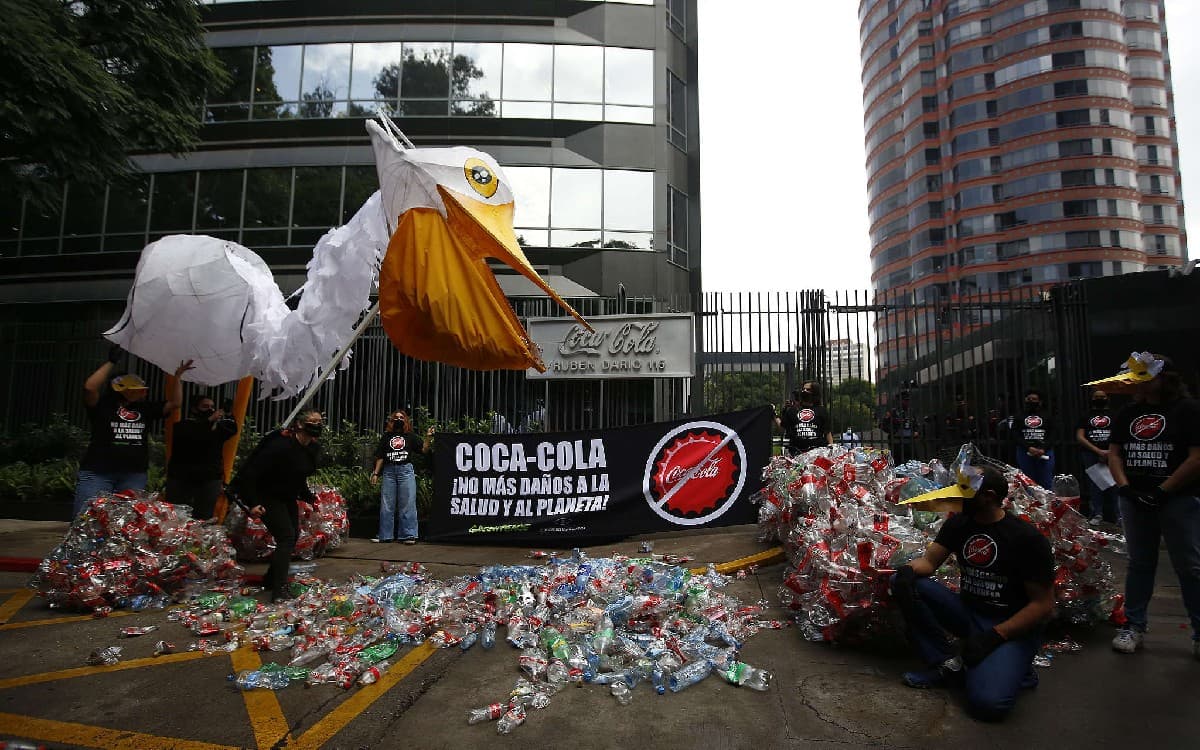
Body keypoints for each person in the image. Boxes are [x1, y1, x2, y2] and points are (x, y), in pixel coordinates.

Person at [890, 464, 1054, 721]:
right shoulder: (960, 524)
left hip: (1010, 626)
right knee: (907, 584)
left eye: (964, 492)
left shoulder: (1026, 539)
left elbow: (1042, 605)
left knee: (989, 705)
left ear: (987, 496)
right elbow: (929, 563)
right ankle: (946, 665)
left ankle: (1018, 669)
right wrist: (906, 572)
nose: (955, 498)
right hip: (969, 612)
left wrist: (996, 636)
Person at [1102, 354, 1200, 659]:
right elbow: (1115, 453)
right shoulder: (1127, 413)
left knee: (1190, 566)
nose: (1136, 384)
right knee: (1140, 564)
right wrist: (1126, 488)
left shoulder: (1188, 411)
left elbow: (1196, 457)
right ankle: (1134, 625)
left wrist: (1163, 490)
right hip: (1135, 499)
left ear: (1163, 378)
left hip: (1178, 499)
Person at [74, 345, 192, 515]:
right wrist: (111, 362)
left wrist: (178, 376)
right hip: (98, 472)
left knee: (127, 522)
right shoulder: (103, 407)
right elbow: (90, 388)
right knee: (86, 517)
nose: (142, 393)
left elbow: (175, 403)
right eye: (137, 389)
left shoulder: (145, 409)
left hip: (133, 474)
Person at [228, 409, 324, 602]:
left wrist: (309, 497)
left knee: (292, 535)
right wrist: (253, 503)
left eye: (319, 421)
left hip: (286, 496)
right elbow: (251, 474)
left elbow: (298, 476)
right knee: (286, 536)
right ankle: (278, 591)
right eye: (312, 421)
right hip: (266, 495)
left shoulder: (311, 449)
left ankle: (272, 578)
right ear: (300, 424)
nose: (317, 425)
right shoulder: (280, 446)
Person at [165, 396, 238, 519]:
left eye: (212, 407)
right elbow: (195, 435)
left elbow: (232, 429)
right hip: (182, 478)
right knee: (177, 514)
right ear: (194, 409)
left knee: (204, 516)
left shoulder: (217, 427)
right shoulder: (183, 425)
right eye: (205, 406)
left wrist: (228, 413)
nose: (210, 410)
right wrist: (209, 420)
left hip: (209, 478)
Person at [370, 409, 433, 544]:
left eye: (401, 417)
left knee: (407, 503)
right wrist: (376, 473)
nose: (399, 419)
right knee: (387, 504)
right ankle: (385, 535)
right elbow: (380, 456)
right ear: (392, 421)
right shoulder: (386, 437)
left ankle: (409, 535)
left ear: (405, 421)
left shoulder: (409, 436)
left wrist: (428, 437)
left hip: (405, 470)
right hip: (389, 471)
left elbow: (423, 450)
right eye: (396, 418)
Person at [1075, 388, 1117, 525]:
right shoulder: (1085, 416)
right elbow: (1080, 437)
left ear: (1107, 398)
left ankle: (1118, 515)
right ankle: (1097, 513)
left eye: (1102, 396)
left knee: (1115, 484)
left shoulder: (1114, 415)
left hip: (1112, 454)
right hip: (1090, 454)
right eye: (1097, 396)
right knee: (1095, 485)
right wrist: (1098, 451)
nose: (1099, 398)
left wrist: (1109, 452)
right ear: (1092, 399)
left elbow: (1119, 435)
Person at [776, 382, 832, 456]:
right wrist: (775, 416)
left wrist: (831, 448)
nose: (804, 391)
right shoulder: (792, 410)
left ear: (815, 392)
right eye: (803, 389)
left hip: (817, 452)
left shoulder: (821, 410)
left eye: (808, 389)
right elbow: (783, 427)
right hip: (797, 452)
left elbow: (827, 432)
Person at [1014, 389, 1054, 489]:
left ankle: (1046, 503)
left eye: (1034, 399)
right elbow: (1015, 435)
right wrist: (1028, 447)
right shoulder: (1019, 416)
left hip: (1045, 452)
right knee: (1027, 481)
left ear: (1040, 401)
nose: (1031, 401)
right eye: (1029, 399)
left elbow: (1053, 434)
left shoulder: (1047, 416)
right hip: (1024, 451)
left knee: (1046, 480)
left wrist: (1043, 448)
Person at [880, 389, 920, 464]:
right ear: (900, 401)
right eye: (905, 400)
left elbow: (916, 425)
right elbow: (883, 425)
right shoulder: (893, 412)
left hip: (910, 443)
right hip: (897, 444)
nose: (907, 402)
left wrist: (916, 432)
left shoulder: (911, 412)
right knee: (898, 464)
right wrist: (893, 432)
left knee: (913, 463)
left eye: (908, 400)